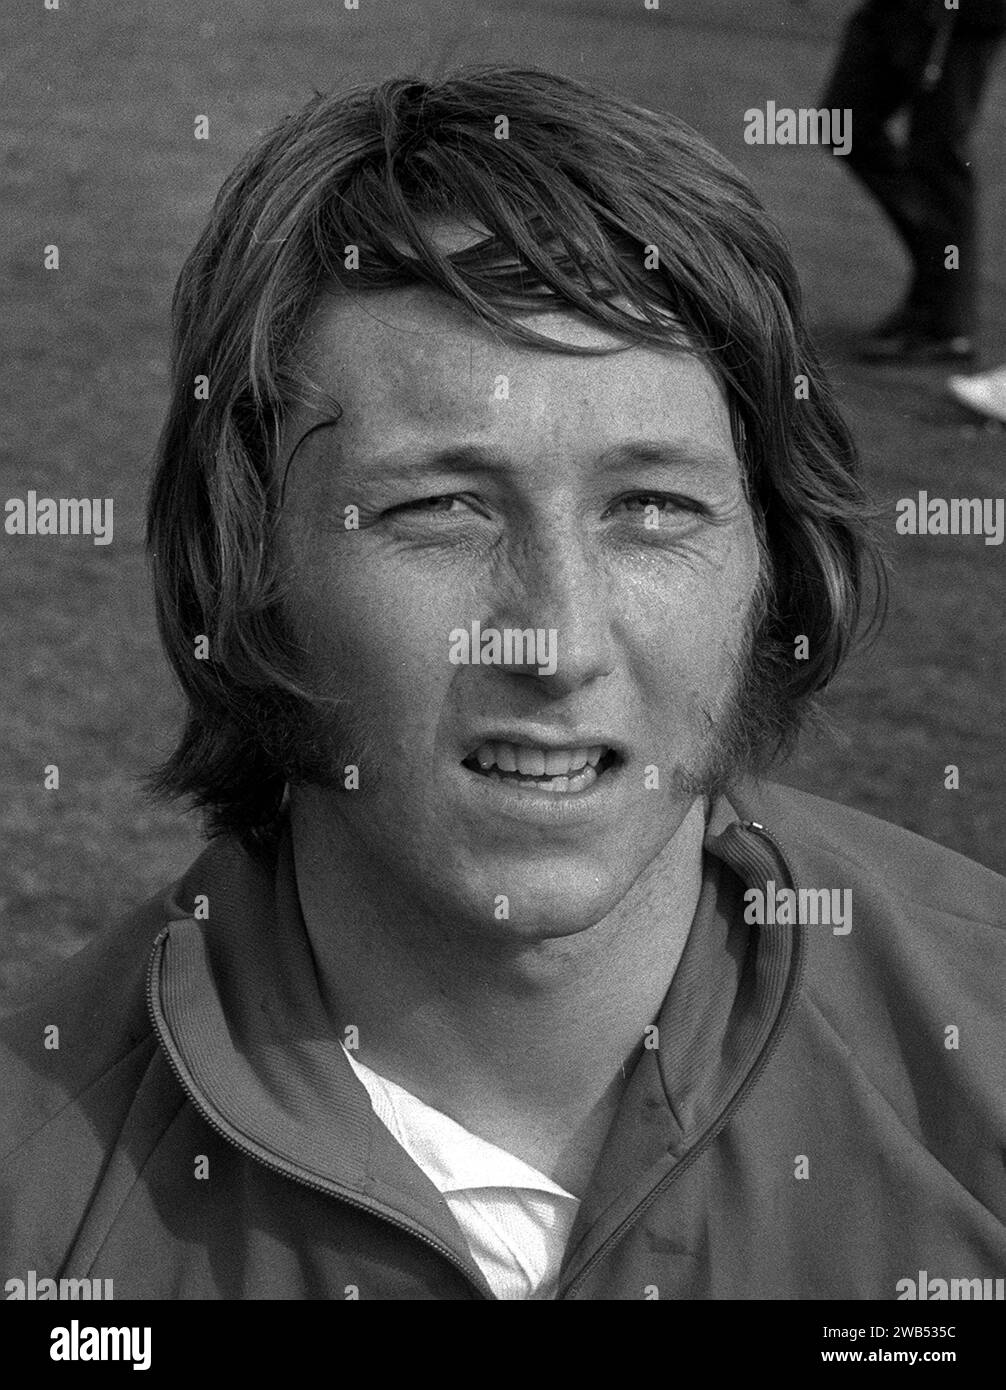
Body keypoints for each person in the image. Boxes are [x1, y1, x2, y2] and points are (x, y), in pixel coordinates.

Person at [2, 68, 1003, 1302]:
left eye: (650, 508)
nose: (556, 641)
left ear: (772, 559)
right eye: (440, 509)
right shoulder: (41, 1210)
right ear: (247, 561)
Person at [820, 0, 1005, 364]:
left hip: (959, 12)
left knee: (937, 153)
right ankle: (937, 288)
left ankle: (943, 319)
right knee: (842, 122)